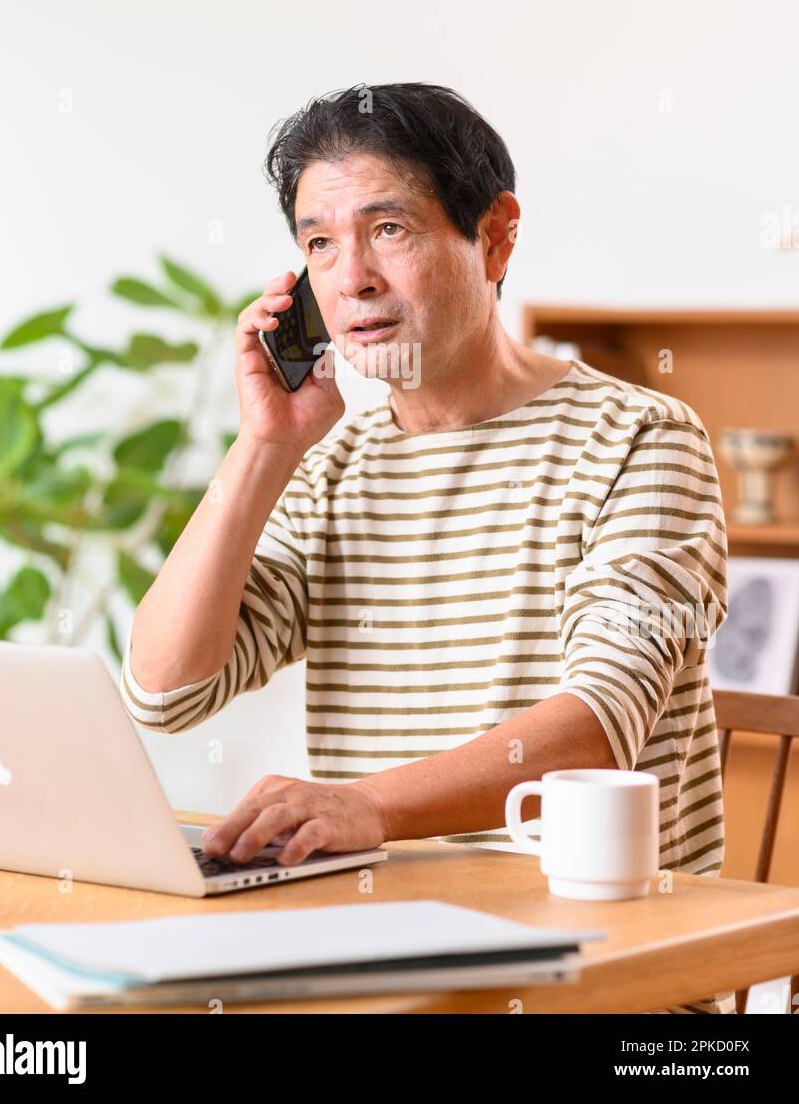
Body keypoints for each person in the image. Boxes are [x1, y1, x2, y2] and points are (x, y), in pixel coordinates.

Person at [120, 82, 735, 1013]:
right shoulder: (328, 469)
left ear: (493, 237)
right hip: (382, 955)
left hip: (606, 975)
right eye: (318, 241)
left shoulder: (642, 437)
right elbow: (165, 692)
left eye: (389, 229)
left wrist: (362, 805)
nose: (351, 277)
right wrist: (266, 446)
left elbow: (597, 727)